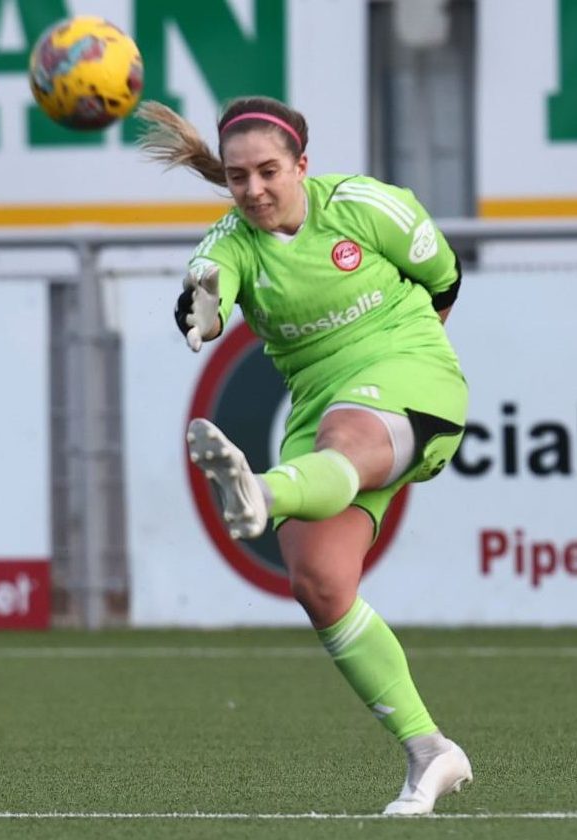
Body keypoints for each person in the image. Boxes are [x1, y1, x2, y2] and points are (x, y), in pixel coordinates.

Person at [137, 96, 472, 816]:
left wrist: (409, 359)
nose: (254, 189)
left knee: (344, 440)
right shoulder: (229, 243)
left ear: (301, 166)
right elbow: (208, 289)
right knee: (319, 582)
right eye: (238, 177)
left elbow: (444, 281)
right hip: (319, 406)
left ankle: (263, 492)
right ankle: (429, 751)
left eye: (268, 171)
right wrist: (199, 310)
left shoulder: (363, 206)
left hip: (411, 371)